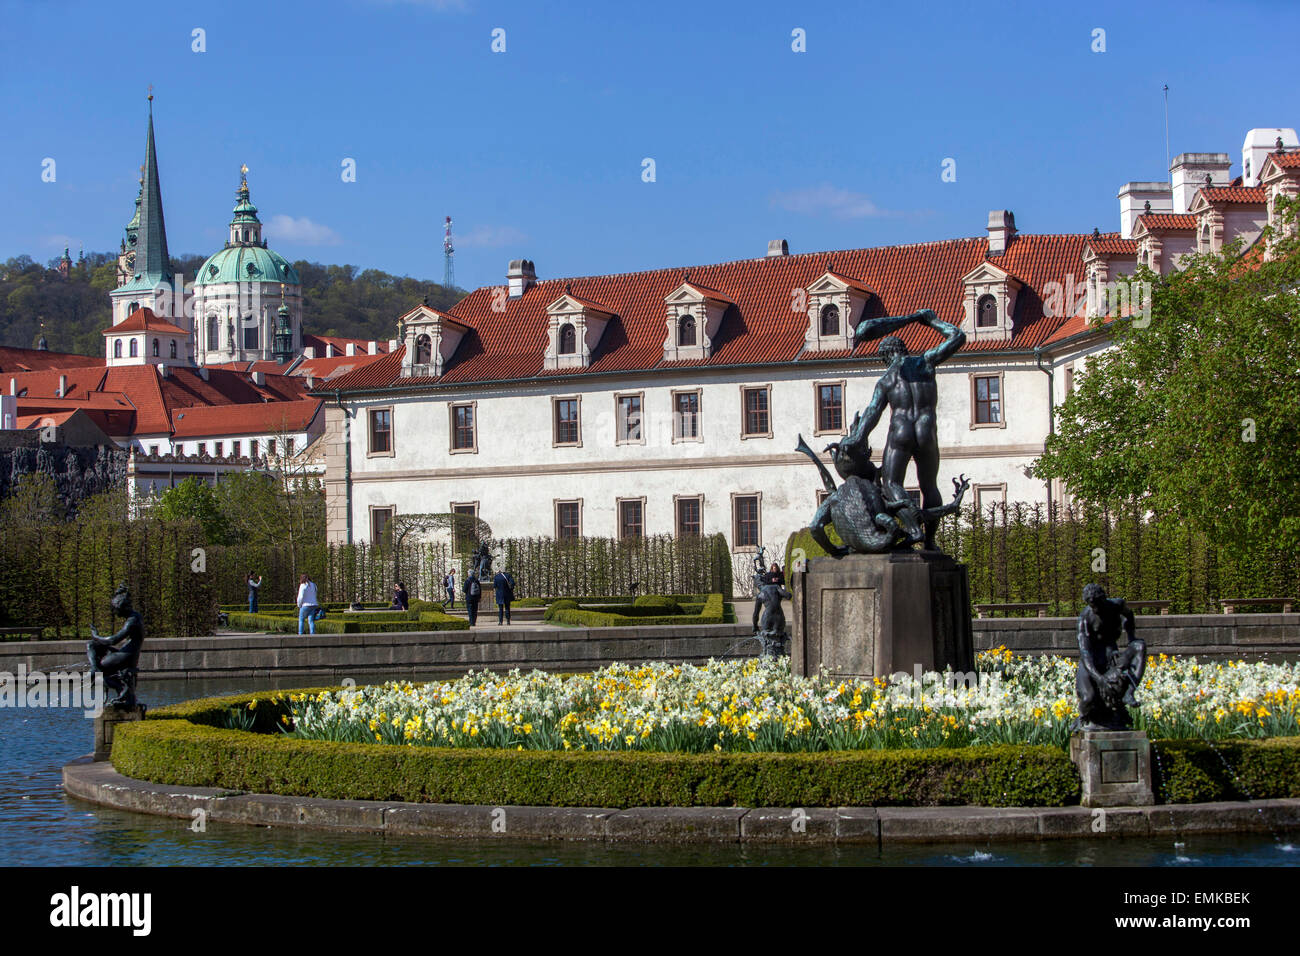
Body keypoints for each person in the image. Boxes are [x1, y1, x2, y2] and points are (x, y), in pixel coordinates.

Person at [844, 308, 966, 550]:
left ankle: (912, 529)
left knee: (891, 484)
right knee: (929, 486)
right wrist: (932, 320)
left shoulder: (887, 380)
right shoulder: (926, 362)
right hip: (927, 431)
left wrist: (857, 437)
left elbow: (872, 412)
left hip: (901, 433)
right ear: (903, 350)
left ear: (886, 356)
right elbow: (958, 336)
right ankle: (930, 541)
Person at [1075, 583, 1147, 730]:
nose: (1096, 608)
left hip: (1111, 655)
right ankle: (1083, 719)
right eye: (1092, 605)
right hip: (1092, 661)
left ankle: (1129, 692)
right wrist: (1099, 678)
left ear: (1104, 599)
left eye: (1098, 604)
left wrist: (1131, 637)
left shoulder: (1117, 605)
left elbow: (1129, 616)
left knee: (1139, 646)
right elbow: (1085, 653)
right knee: (1088, 698)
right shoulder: (1085, 618)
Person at [87, 584, 145, 707]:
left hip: (127, 656)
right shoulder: (134, 617)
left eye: (115, 609)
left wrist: (95, 635)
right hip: (126, 652)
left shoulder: (132, 621)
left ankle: (121, 689)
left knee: (101, 666)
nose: (114, 612)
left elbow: (113, 640)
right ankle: (95, 669)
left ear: (121, 608)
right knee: (91, 645)